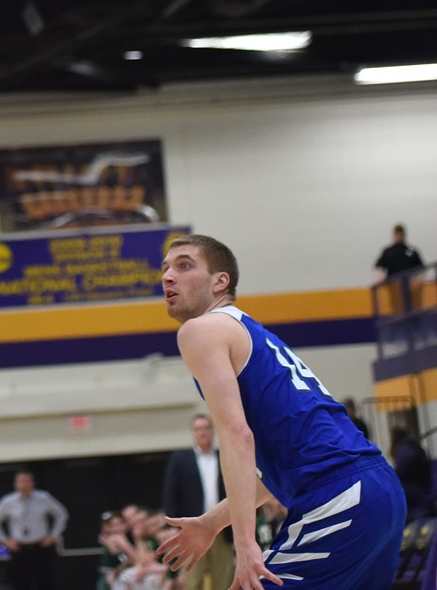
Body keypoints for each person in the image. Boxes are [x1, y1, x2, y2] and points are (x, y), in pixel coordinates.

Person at [157, 234, 404, 589]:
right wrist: (212, 523)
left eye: (184, 265)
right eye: (165, 268)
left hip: (337, 495)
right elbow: (272, 473)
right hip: (378, 488)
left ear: (220, 281)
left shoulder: (202, 330)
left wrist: (246, 546)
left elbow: (237, 437)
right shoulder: (251, 332)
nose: (168, 276)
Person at [160, 413, 232, 590]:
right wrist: (173, 527)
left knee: (223, 578)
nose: (203, 432)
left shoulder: (225, 455)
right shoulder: (180, 459)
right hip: (193, 528)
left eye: (207, 428)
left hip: (223, 527)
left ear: (213, 431)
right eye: (199, 429)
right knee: (193, 580)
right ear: (193, 432)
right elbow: (171, 494)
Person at [0, 469, 67, 590]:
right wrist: (4, 540)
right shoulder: (8, 501)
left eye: (27, 481)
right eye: (21, 481)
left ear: (32, 483)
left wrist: (54, 535)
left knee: (45, 582)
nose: (24, 484)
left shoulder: (43, 498)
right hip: (19, 548)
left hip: (41, 546)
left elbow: (61, 514)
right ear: (16, 484)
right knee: (21, 583)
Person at [392, 424, 433, 517]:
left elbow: (400, 472)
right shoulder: (413, 446)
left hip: (414, 490)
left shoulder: (403, 450)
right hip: (423, 486)